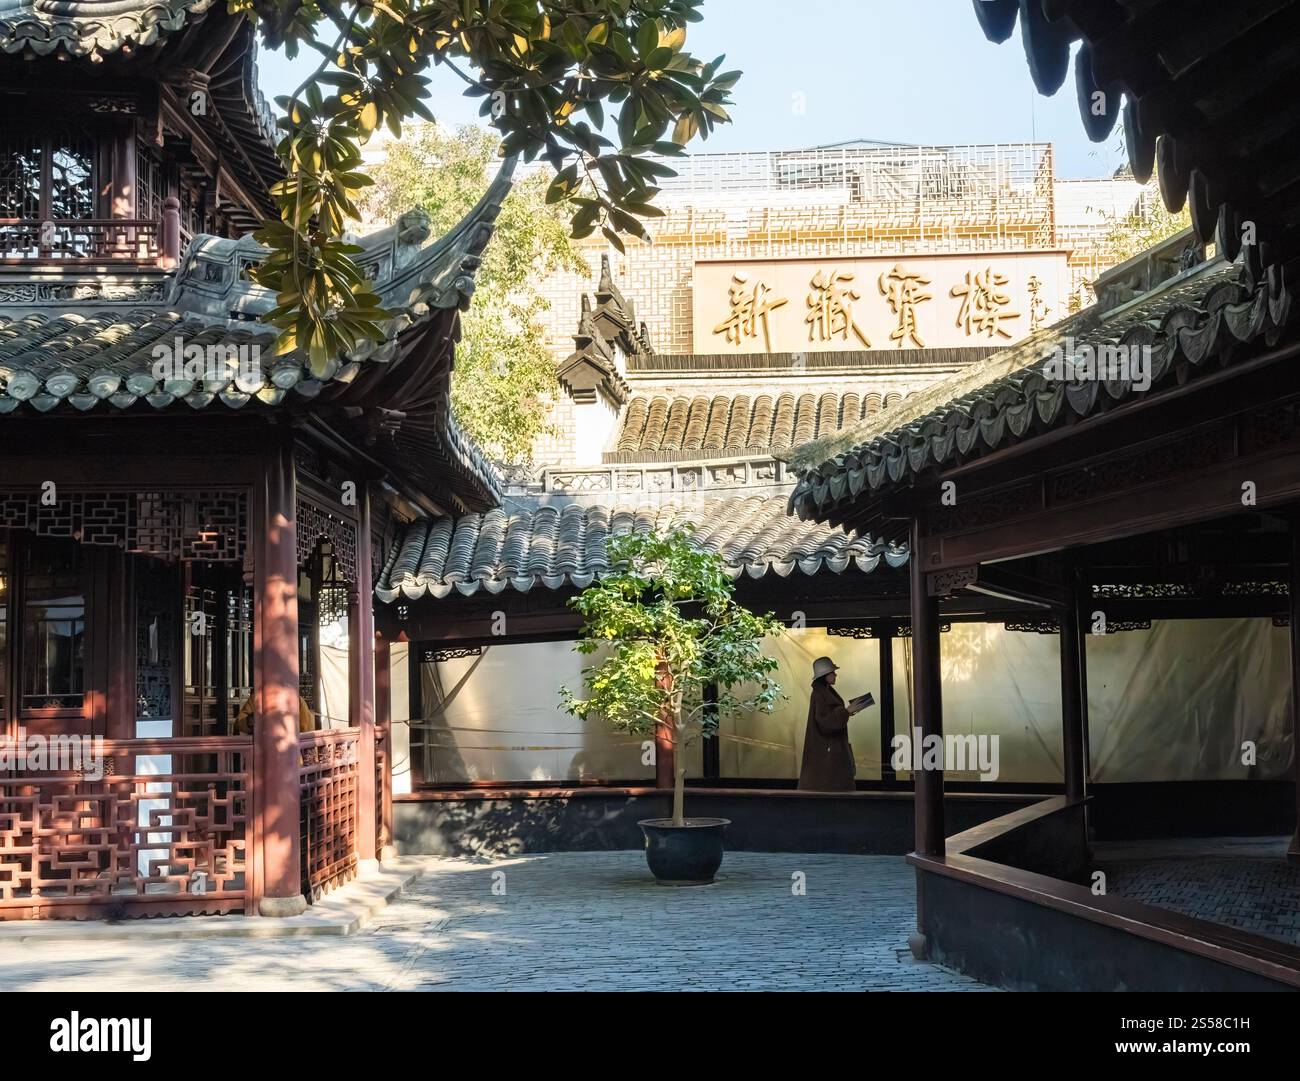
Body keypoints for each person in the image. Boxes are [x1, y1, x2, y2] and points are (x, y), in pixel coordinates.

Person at [797, 656, 867, 791]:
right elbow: (826, 722)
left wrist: (847, 712)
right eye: (832, 672)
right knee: (831, 789)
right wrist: (846, 711)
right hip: (827, 753)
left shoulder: (825, 692)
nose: (835, 675)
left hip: (830, 750)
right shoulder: (819, 694)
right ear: (824, 675)